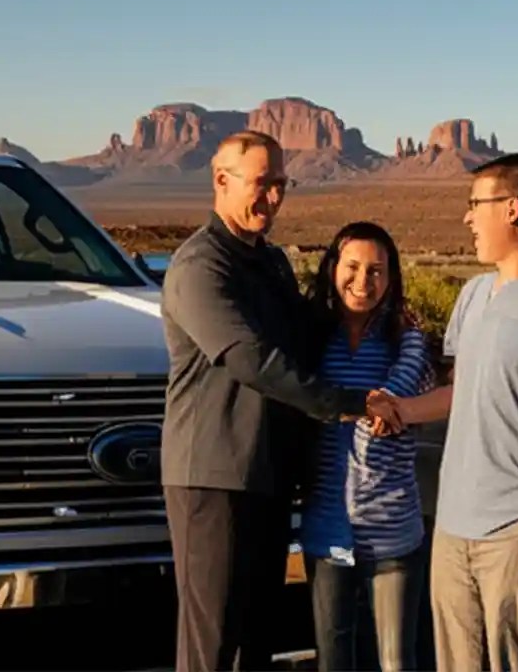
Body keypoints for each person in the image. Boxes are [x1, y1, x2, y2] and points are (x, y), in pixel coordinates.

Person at [159, 131, 396, 672]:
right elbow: (252, 359)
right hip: (214, 476)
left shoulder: (270, 263)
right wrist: (347, 402)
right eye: (261, 184)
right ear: (221, 180)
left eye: (281, 186)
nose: (273, 198)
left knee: (255, 637)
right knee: (212, 639)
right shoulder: (200, 266)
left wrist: (374, 320)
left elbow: (304, 337)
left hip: (265, 474)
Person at [371, 153, 518, 671]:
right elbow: (463, 392)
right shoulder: (474, 295)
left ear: (512, 209)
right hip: (454, 525)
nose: (467, 217)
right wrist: (399, 409)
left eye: (476, 204)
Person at [297, 221, 435, 672]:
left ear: (391, 278)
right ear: (333, 268)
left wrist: (382, 405)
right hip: (329, 531)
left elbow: (402, 396)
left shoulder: (405, 339)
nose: (363, 281)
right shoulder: (312, 337)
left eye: (377, 271)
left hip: (393, 531)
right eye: (352, 267)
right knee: (333, 656)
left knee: (396, 660)